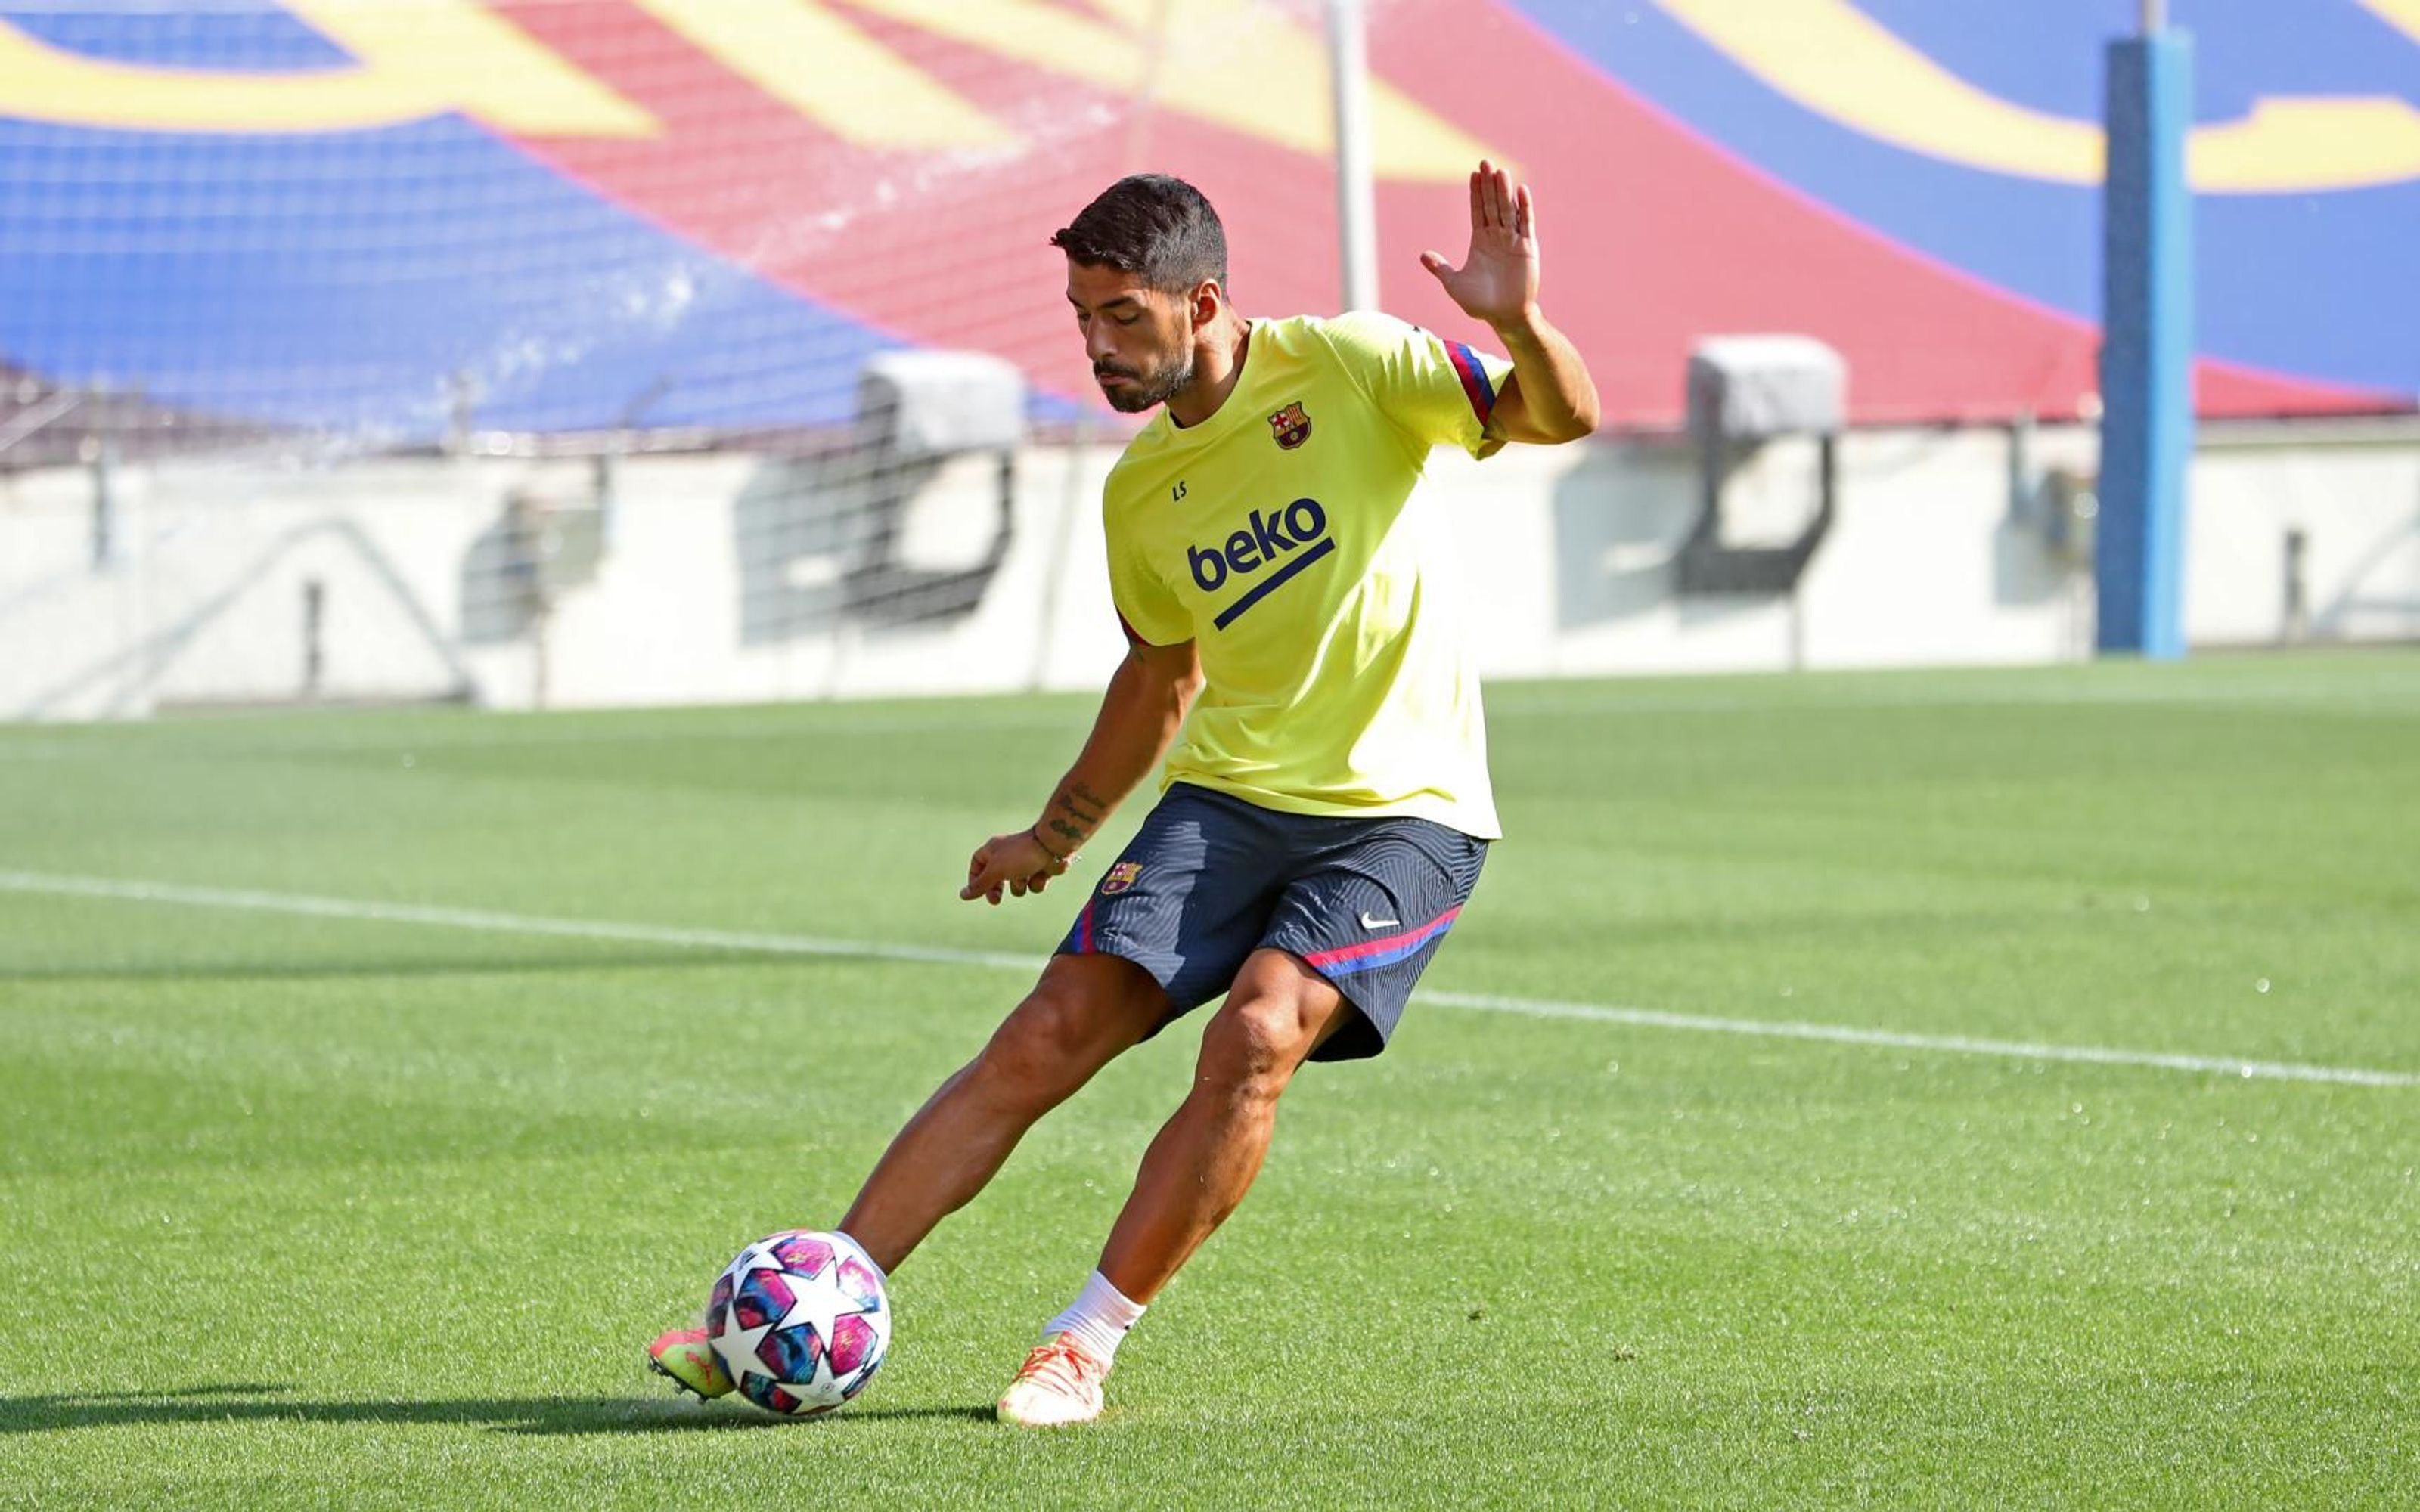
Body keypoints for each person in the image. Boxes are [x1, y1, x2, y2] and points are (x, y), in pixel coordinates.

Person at [650, 161, 1599, 1427]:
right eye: (1083, 317)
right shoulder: (1140, 493)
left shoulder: (1356, 365)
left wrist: (1517, 318)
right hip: (1229, 804)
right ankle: (800, 1312)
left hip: (1404, 811)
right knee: (1042, 1036)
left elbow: (1562, 417)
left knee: (1258, 1033)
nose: (1096, 346)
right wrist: (1051, 837)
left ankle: (1082, 1344)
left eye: (1122, 318)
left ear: (1202, 302)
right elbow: (1162, 679)